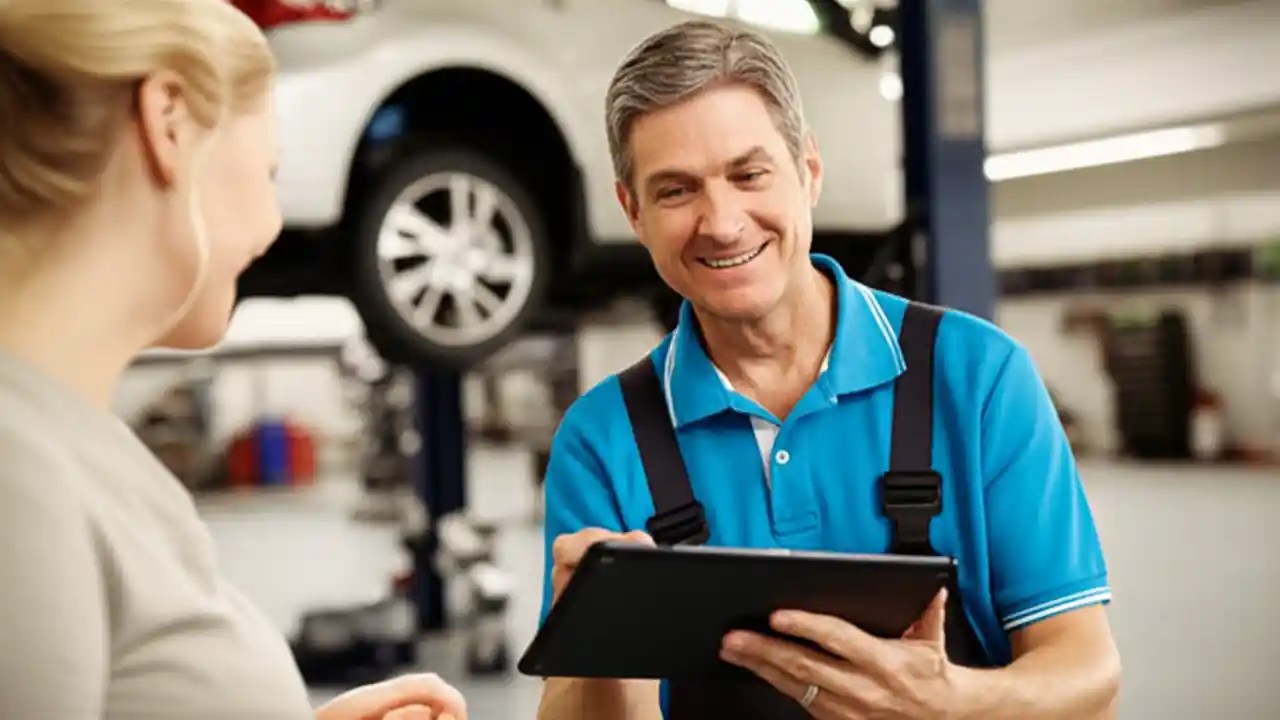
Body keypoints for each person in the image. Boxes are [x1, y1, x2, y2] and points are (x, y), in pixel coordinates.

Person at [536, 19, 1122, 720]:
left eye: (749, 175)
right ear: (632, 211)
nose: (721, 222)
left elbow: (1089, 675)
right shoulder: (602, 440)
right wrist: (600, 651)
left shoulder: (977, 378)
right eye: (676, 191)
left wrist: (951, 704)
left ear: (808, 170)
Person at [0, 2, 466, 719]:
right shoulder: (18, 471)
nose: (272, 225)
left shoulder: (69, 446)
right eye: (269, 170)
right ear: (168, 123)